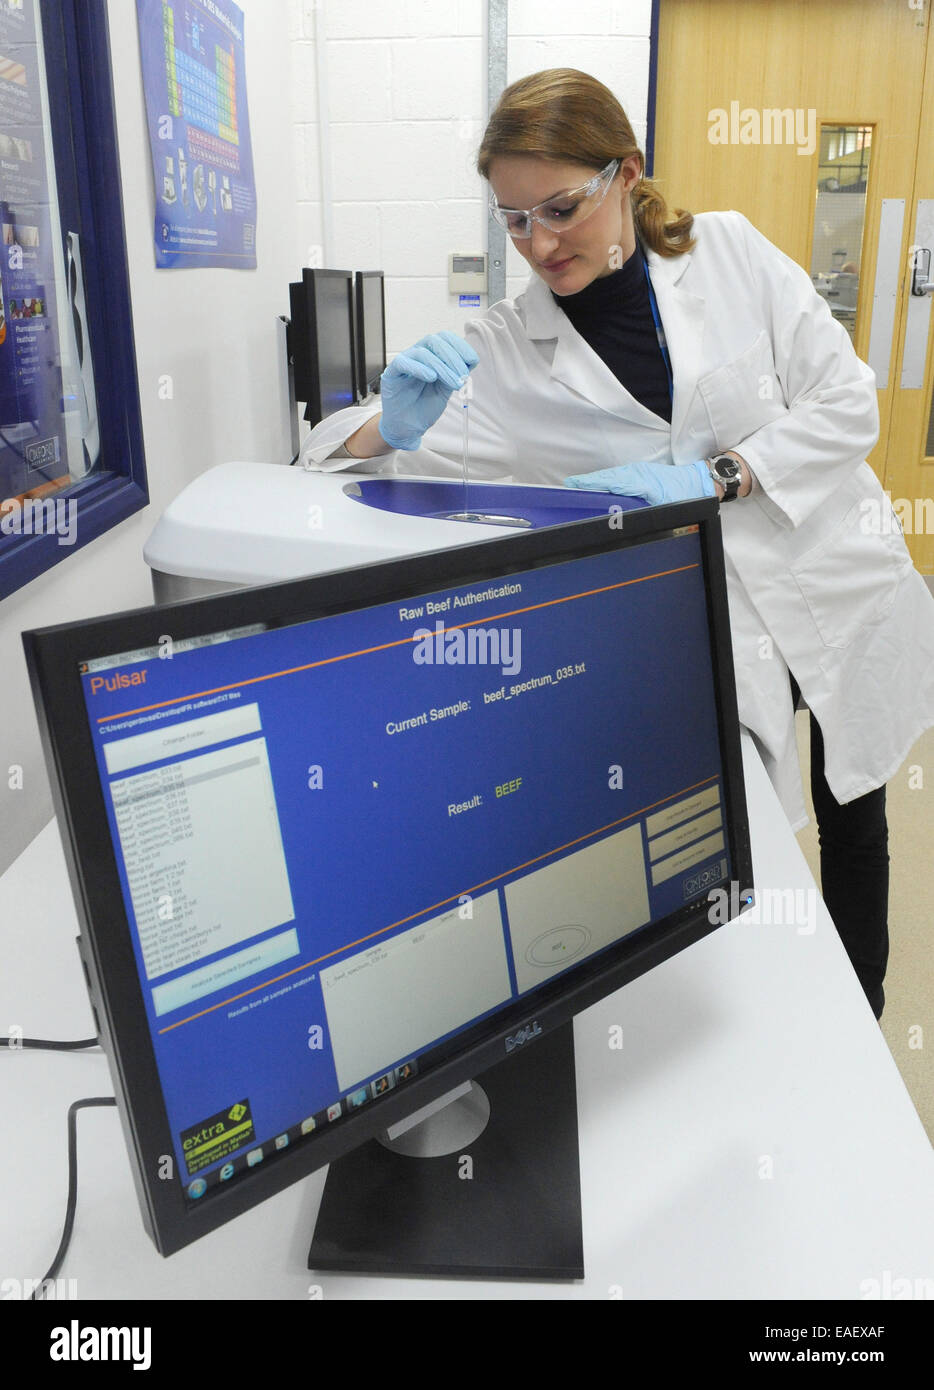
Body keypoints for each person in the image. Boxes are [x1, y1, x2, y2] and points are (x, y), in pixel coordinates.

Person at [300, 68, 934, 1020]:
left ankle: (865, 1021)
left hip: (833, 579)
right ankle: (790, 1040)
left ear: (626, 173)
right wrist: (385, 425)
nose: (538, 243)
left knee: (858, 814)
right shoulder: (509, 352)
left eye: (559, 207)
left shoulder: (729, 256)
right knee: (746, 839)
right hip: (712, 629)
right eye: (514, 219)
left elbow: (848, 404)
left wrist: (718, 477)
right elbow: (330, 465)